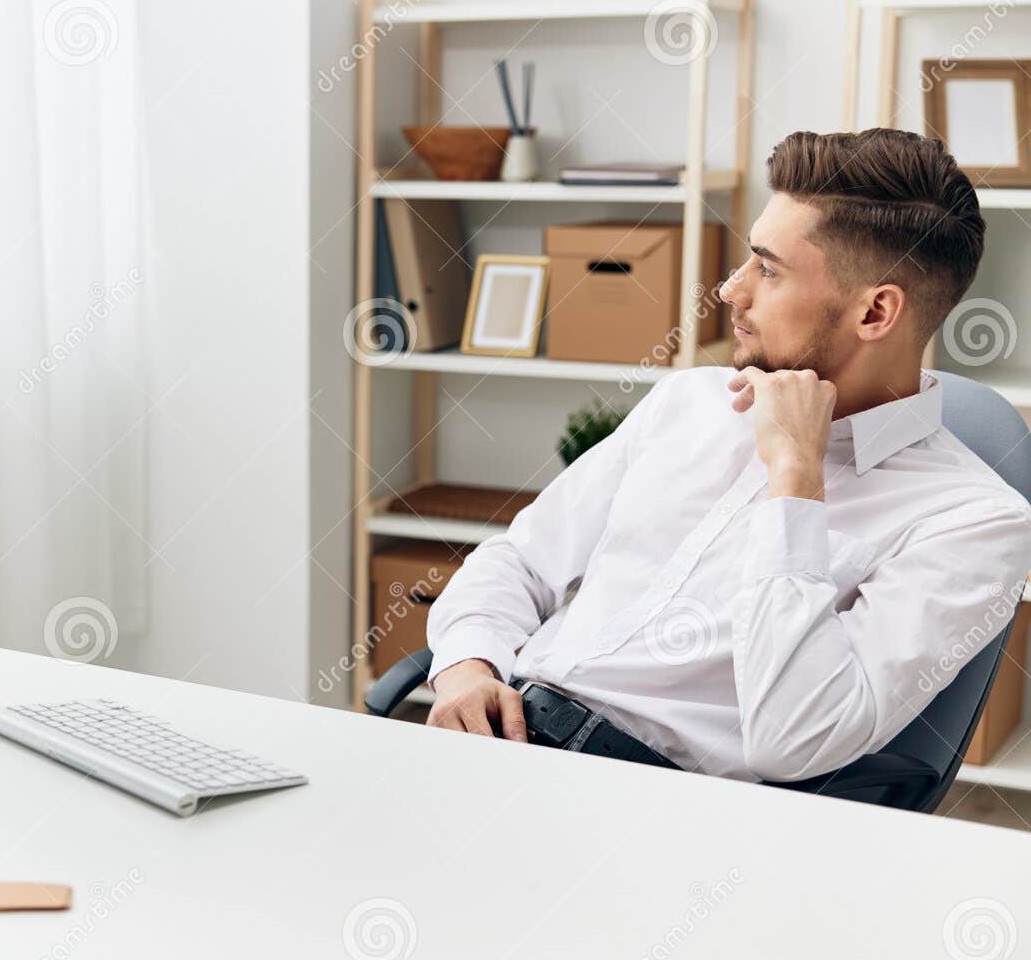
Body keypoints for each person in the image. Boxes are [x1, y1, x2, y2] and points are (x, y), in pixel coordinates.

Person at [425, 128, 1031, 781]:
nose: (729, 290)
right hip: (502, 739)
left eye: (767, 269)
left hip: (653, 806)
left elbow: (796, 738)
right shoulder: (692, 401)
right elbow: (522, 561)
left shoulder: (974, 520)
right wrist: (467, 666)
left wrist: (796, 479)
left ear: (876, 312)